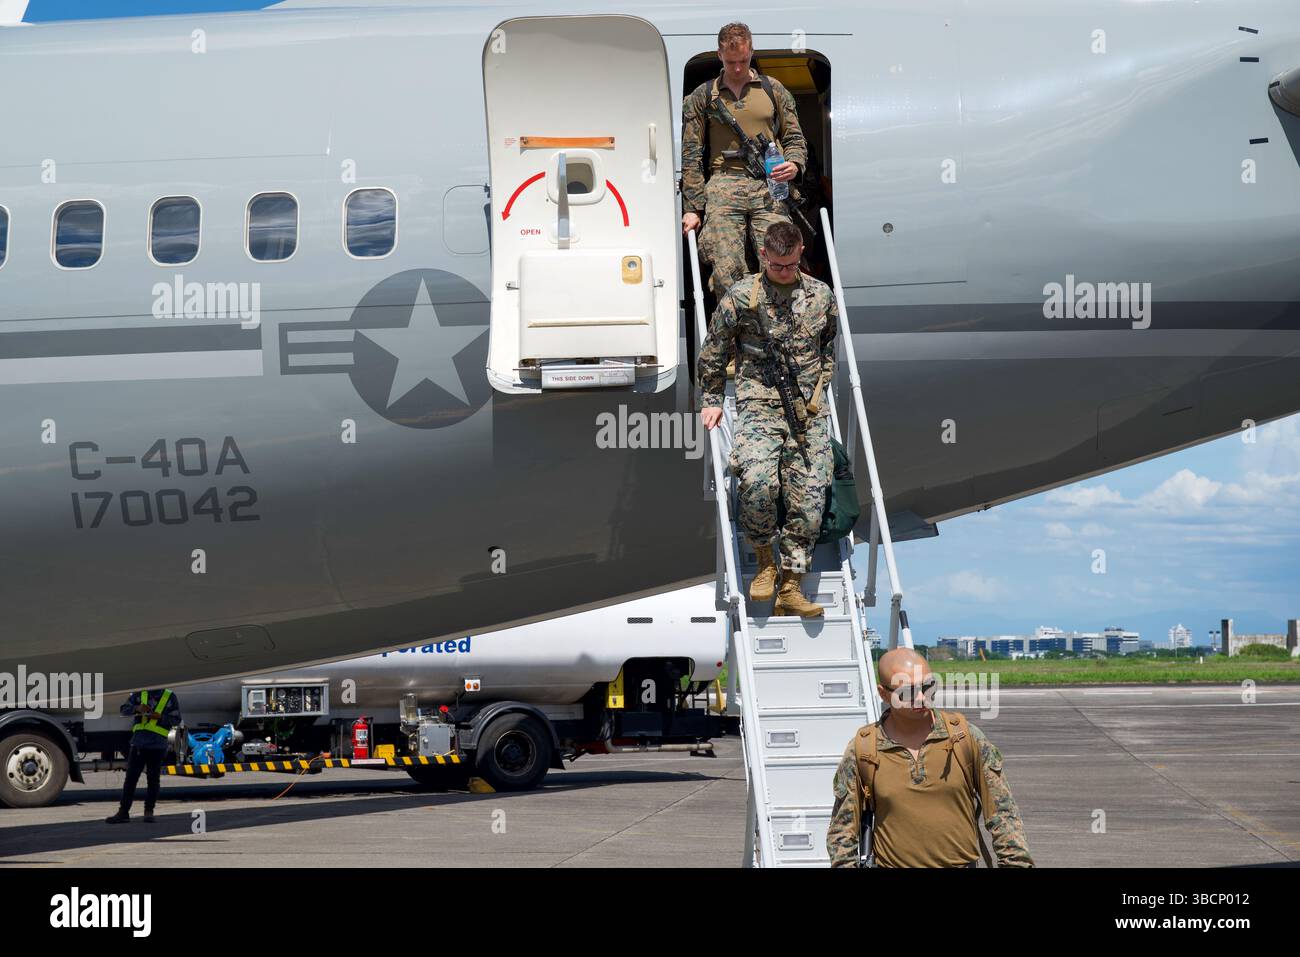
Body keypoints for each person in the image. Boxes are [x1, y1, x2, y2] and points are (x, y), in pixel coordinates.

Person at [697, 221, 834, 617]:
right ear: (763, 256)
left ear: (801, 252)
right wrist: (712, 398)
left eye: (790, 265)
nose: (785, 272)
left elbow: (828, 345)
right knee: (756, 481)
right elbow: (714, 349)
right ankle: (764, 562)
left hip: (807, 410)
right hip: (759, 403)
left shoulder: (821, 296)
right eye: (777, 266)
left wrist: (819, 386)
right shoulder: (742, 297)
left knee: (811, 496)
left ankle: (791, 584)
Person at [826, 648, 1034, 867]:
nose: (921, 698)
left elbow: (1004, 813)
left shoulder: (965, 738)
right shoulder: (864, 749)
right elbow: (842, 831)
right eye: (907, 692)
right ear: (884, 694)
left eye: (928, 687)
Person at [681, 21, 807, 296]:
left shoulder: (773, 89)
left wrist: (794, 164)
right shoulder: (703, 96)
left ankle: (778, 319)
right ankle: (736, 319)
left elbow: (794, 138)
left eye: (743, 60)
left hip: (769, 185)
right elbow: (691, 154)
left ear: (751, 53)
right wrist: (693, 208)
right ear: (719, 56)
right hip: (724, 185)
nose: (737, 68)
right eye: (730, 62)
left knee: (780, 261)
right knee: (726, 267)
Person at [105, 688, 181, 824]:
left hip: (157, 745)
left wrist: (160, 717)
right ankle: (124, 812)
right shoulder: (140, 694)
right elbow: (123, 710)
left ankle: (148, 811)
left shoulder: (169, 696)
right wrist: (137, 708)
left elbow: (176, 719)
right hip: (139, 744)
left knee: (153, 780)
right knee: (131, 780)